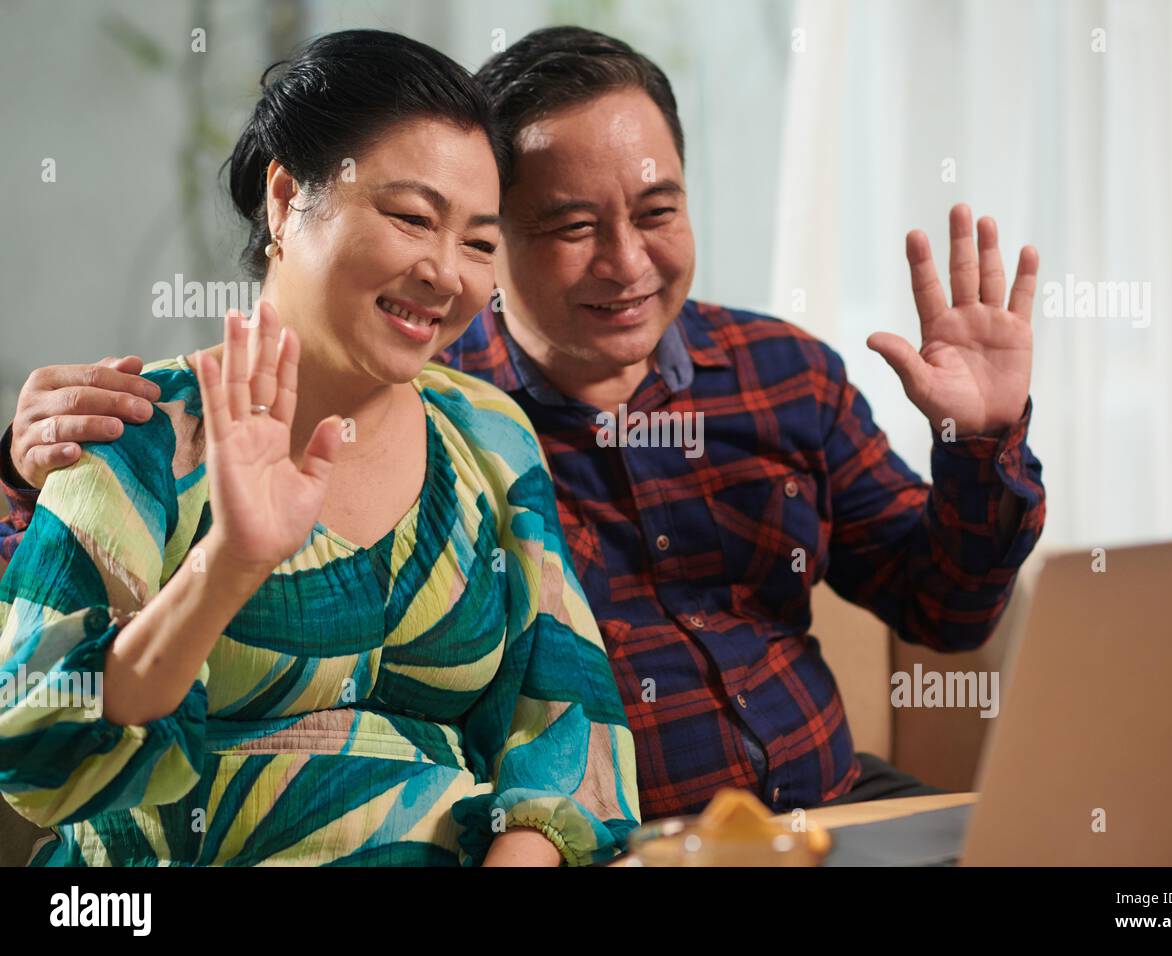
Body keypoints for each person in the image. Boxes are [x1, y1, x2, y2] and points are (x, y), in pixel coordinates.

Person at [1, 26, 1045, 822]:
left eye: (656, 210)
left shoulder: (782, 372)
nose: (627, 263)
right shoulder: (425, 397)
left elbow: (946, 613)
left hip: (828, 815)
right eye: (571, 226)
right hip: (630, 838)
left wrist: (978, 446)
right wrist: (18, 472)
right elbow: (67, 645)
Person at [0, 29, 639, 866]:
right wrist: (227, 565)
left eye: (479, 243)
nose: (446, 272)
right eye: (413, 218)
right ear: (284, 199)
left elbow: (564, 713)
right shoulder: (136, 428)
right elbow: (40, 735)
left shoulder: (486, 433)